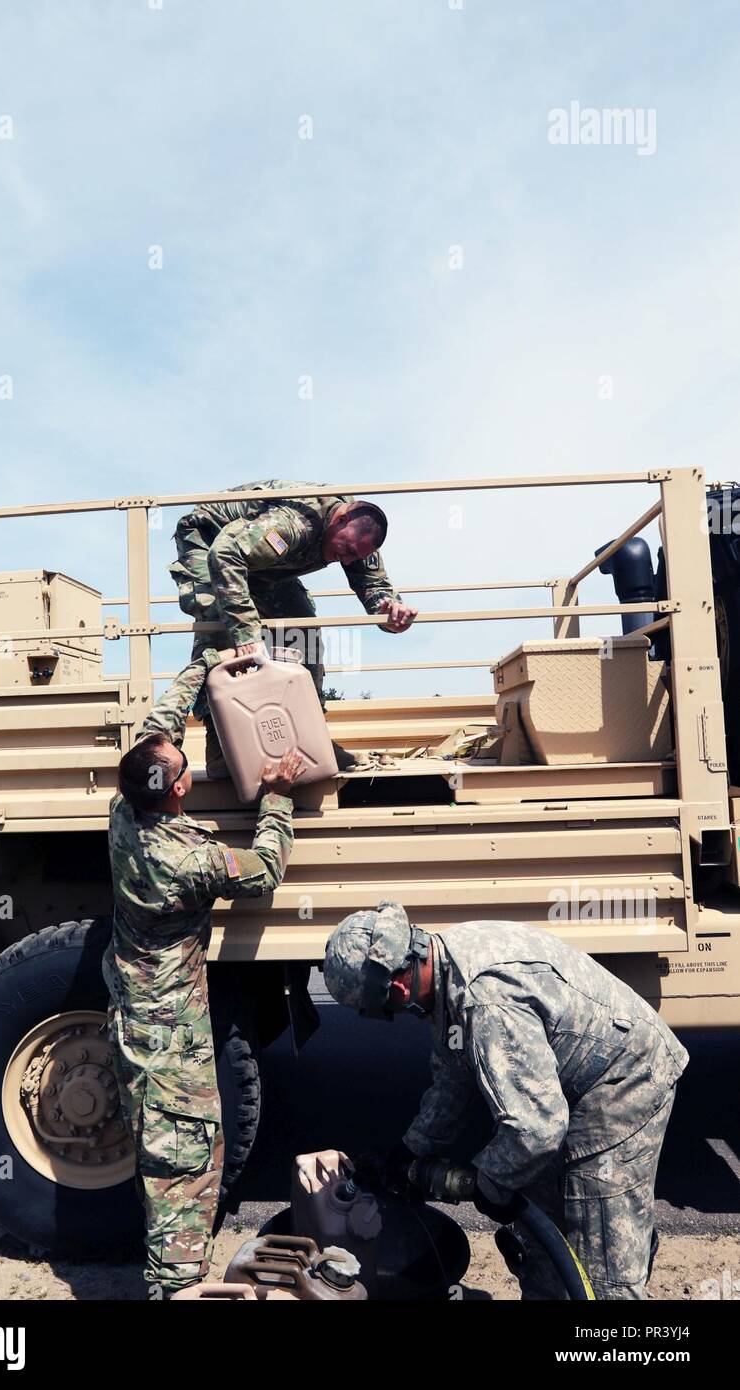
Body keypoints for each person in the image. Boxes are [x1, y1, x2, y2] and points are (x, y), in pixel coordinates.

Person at [322, 905, 689, 1300]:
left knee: (601, 1259)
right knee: (543, 1238)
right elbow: (453, 1079)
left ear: (398, 990)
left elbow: (536, 1131)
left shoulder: (483, 999)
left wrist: (490, 1183)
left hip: (622, 1079)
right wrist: (408, 1151)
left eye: (385, 1010)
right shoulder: (445, 966)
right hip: (565, 1087)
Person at [103, 648, 304, 1298]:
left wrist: (206, 665)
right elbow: (264, 870)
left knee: (166, 1164)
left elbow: (158, 732)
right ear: (181, 789)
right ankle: (175, 1288)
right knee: (182, 1172)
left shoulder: (124, 818)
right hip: (171, 1052)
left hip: (135, 1024)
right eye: (184, 768)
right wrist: (277, 801)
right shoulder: (187, 863)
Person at [169, 479, 418, 772]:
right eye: (346, 549)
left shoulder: (358, 537)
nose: (347, 560)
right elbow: (225, 553)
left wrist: (389, 610)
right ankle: (221, 747)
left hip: (259, 560)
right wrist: (247, 633)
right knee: (220, 624)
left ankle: (313, 738)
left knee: (302, 631)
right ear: (340, 520)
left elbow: (374, 584)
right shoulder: (292, 526)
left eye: (355, 556)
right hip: (209, 539)